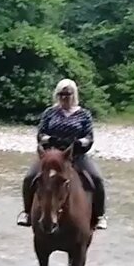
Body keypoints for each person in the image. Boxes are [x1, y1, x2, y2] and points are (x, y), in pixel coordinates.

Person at [16, 78, 107, 230]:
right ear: (57, 95)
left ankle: (99, 216)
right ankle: (27, 213)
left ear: (74, 95)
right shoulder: (50, 113)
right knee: (29, 178)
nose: (65, 97)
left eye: (68, 94)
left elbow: (89, 137)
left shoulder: (84, 114)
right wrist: (51, 140)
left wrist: (79, 143)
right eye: (61, 94)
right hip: (52, 157)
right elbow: (41, 134)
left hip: (75, 155)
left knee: (97, 179)